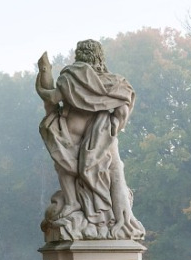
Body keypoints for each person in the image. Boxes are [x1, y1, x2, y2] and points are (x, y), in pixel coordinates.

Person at [35, 40, 146, 242]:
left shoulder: (71, 77)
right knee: (103, 172)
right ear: (100, 56)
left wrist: (42, 79)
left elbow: (52, 98)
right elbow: (123, 108)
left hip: (71, 132)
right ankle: (102, 216)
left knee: (66, 168)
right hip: (102, 136)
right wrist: (113, 125)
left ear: (79, 56)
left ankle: (72, 204)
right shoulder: (115, 83)